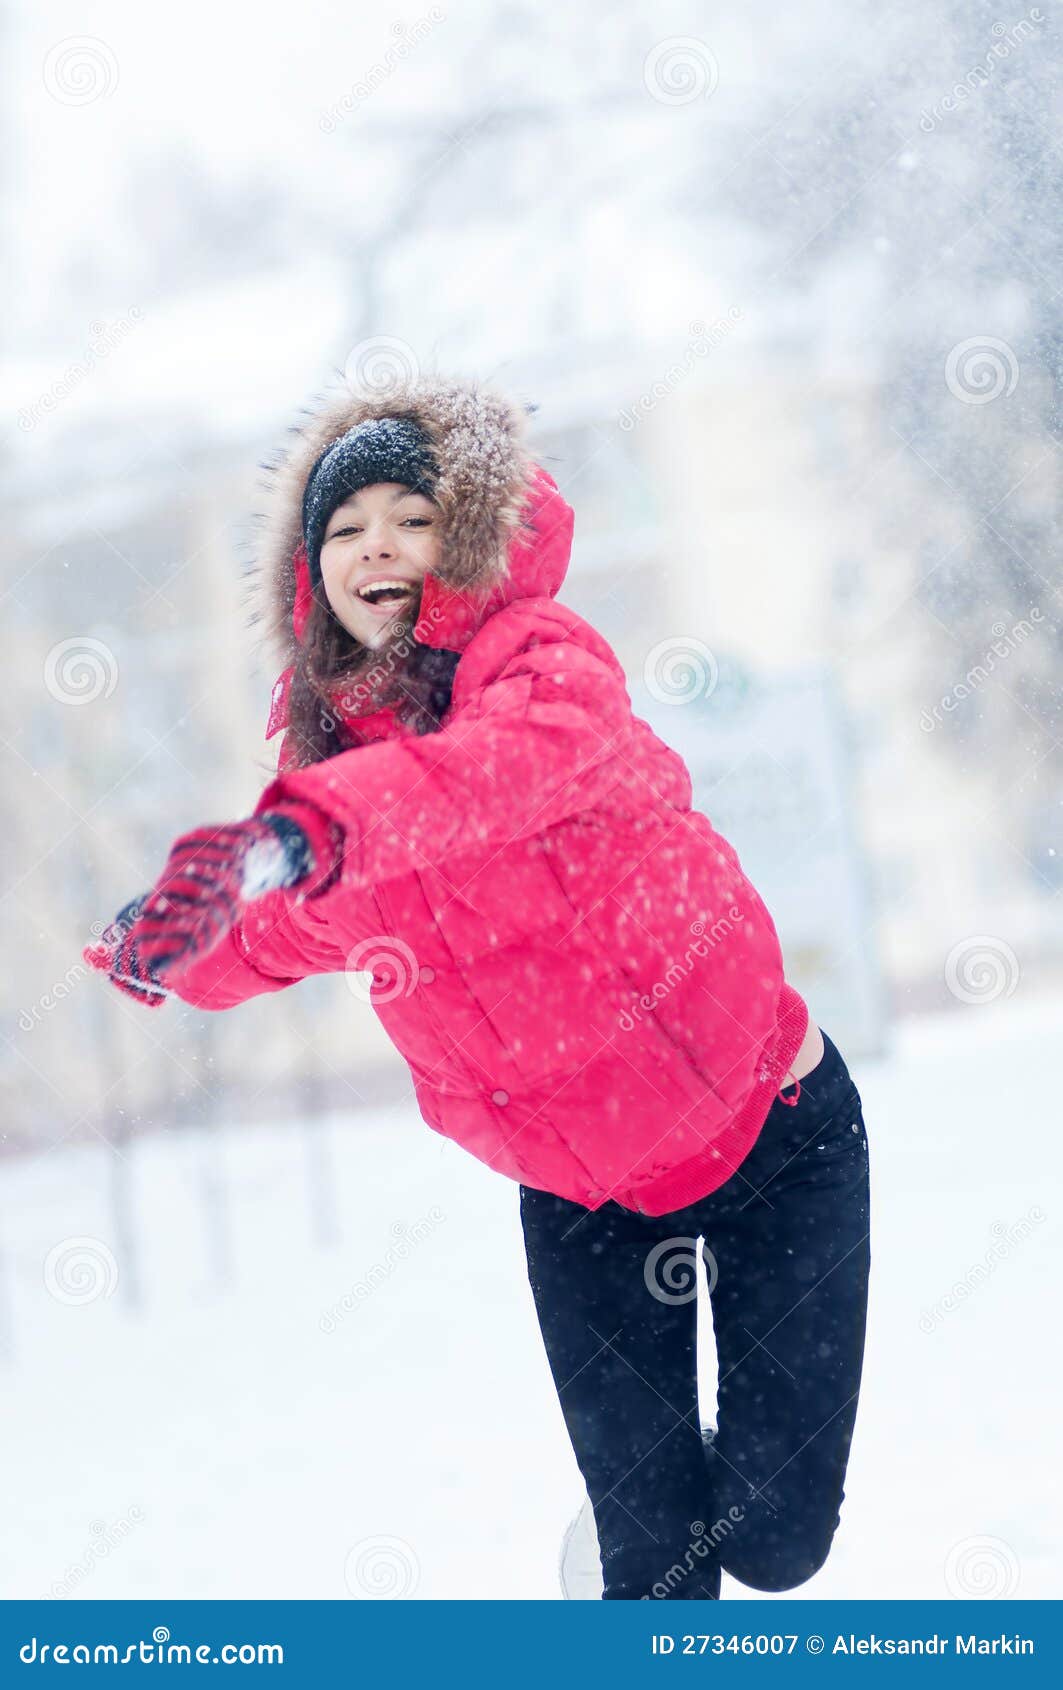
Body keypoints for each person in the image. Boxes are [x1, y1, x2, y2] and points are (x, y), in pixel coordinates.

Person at [83, 373, 871, 1600]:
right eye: (343, 530)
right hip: (583, 1202)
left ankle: (678, 1516)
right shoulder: (335, 763)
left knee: (773, 1545)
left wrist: (297, 832)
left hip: (773, 1131)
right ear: (313, 577)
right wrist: (175, 945)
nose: (375, 546)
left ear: (463, 535)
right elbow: (295, 928)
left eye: (408, 514)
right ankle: (627, 1536)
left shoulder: (541, 665)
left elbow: (491, 777)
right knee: (659, 1581)